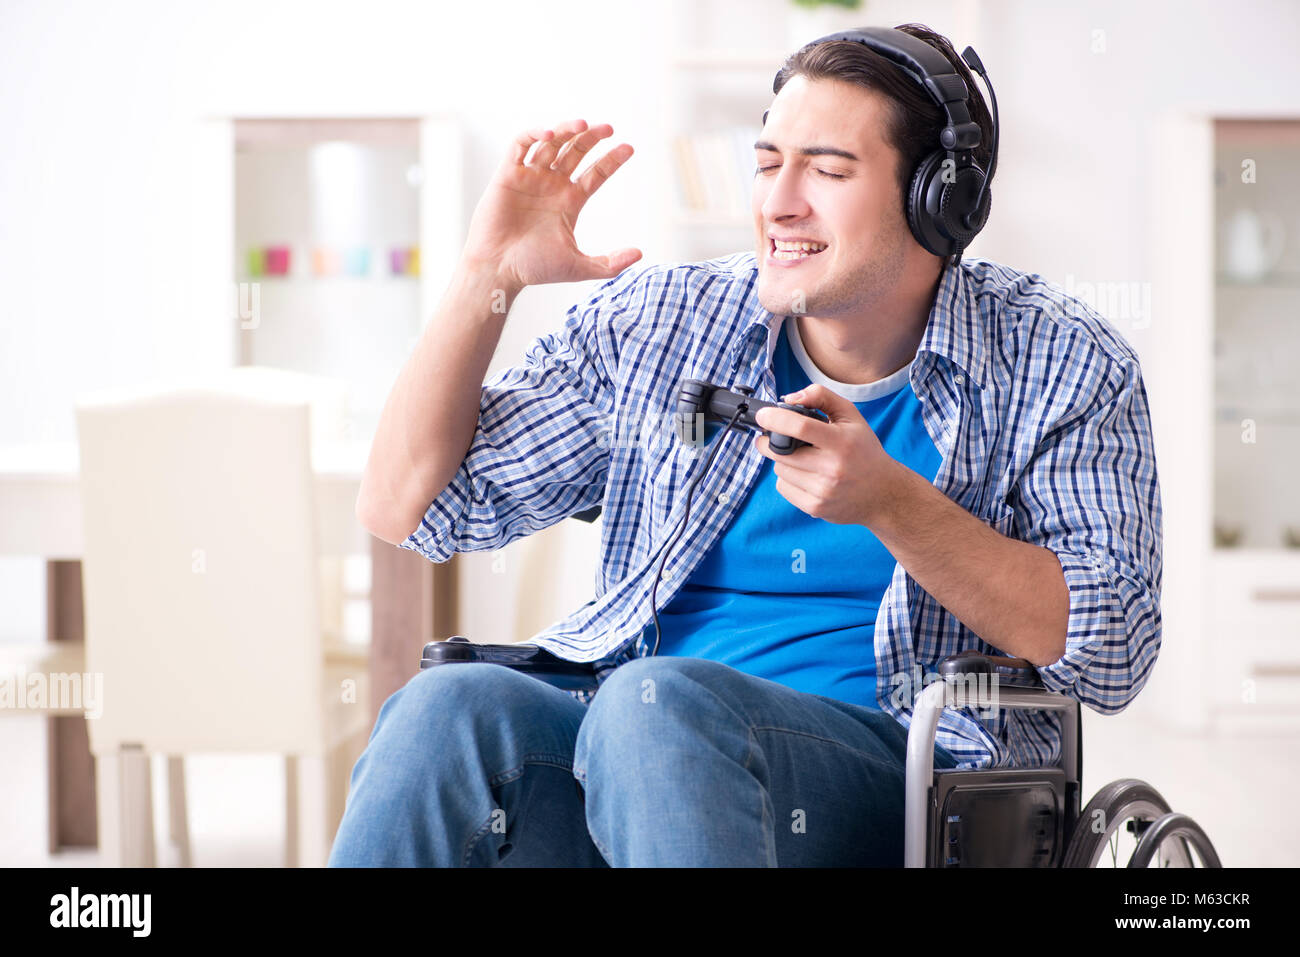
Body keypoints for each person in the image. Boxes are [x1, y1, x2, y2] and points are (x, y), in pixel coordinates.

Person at [329, 22, 1162, 867]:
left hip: (902, 783)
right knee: (445, 709)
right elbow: (407, 506)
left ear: (938, 199)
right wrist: (487, 277)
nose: (778, 200)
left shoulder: (1059, 360)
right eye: (768, 164)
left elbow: (1114, 647)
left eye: (827, 170)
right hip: (629, 762)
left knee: (655, 704)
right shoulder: (664, 324)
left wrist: (890, 502)